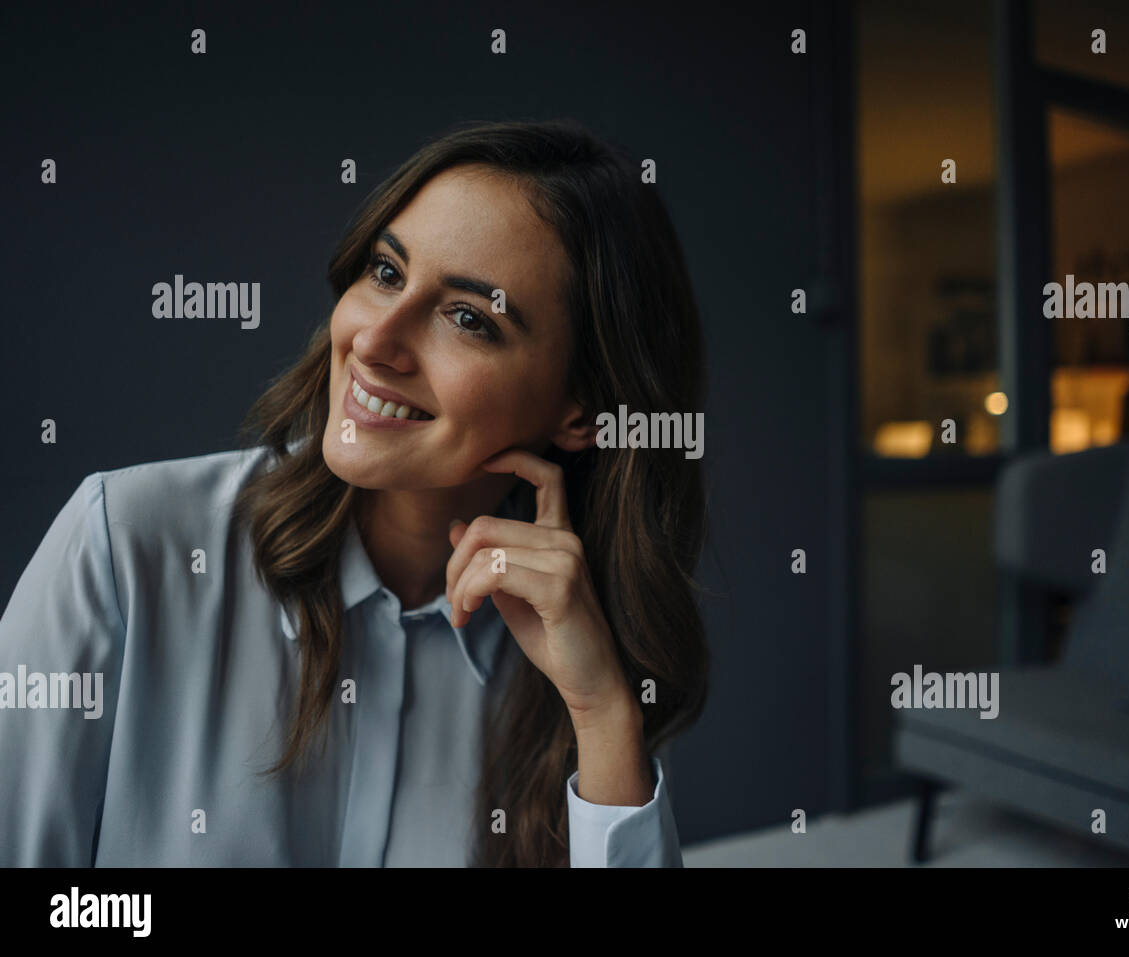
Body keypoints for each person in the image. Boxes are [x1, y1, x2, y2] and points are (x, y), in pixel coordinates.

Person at [0, 119, 709, 867]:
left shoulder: (573, 651)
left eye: (468, 318)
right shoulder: (124, 547)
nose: (374, 339)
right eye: (387, 273)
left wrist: (602, 717)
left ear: (581, 412)